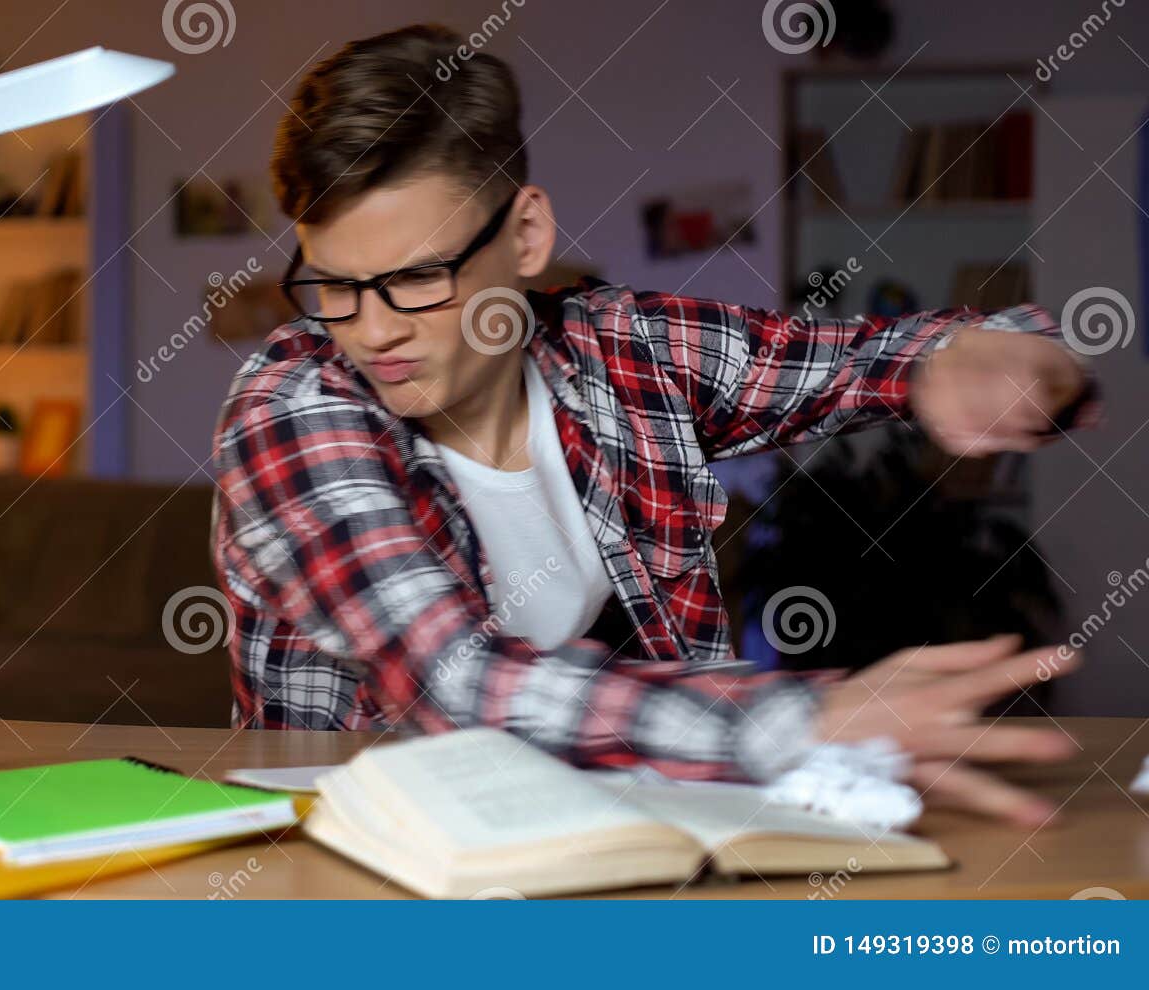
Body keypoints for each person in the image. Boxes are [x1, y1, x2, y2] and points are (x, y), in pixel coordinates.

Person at [210, 24, 1098, 826]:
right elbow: (456, 684)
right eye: (332, 285)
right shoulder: (293, 407)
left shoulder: (623, 349)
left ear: (525, 235)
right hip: (360, 867)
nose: (371, 329)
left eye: (416, 278)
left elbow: (886, 354)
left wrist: (998, 359)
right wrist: (810, 720)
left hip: (631, 828)